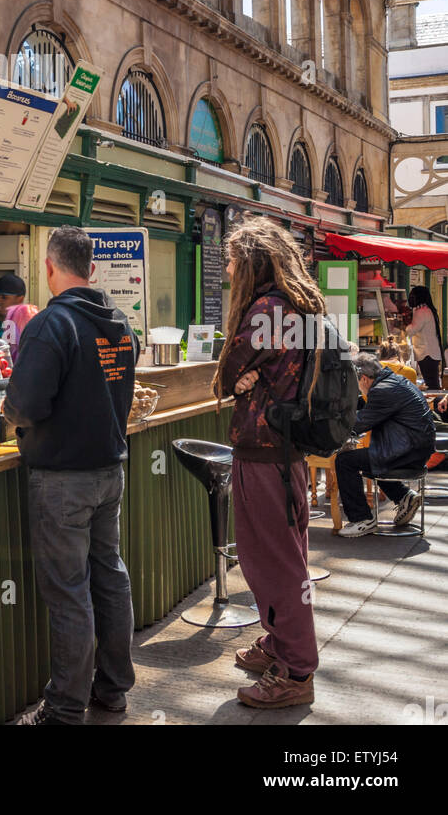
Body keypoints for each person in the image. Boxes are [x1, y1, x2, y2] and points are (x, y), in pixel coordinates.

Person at [3, 226, 138, 726]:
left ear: (48, 268)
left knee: (69, 591)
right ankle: (113, 690)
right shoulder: (119, 322)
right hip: (110, 471)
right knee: (110, 578)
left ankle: (64, 709)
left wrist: (9, 415)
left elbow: (25, 405)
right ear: (93, 269)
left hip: (62, 479)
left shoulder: (51, 324)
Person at [213, 215, 324, 711]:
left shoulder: (264, 311)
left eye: (232, 261)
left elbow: (225, 376)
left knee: (272, 563)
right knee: (288, 556)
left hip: (263, 452)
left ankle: (296, 670)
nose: (227, 270)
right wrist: (245, 379)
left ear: (252, 263)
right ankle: (279, 645)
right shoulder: (300, 304)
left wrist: (242, 380)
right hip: (288, 452)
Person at [334, 351, 435, 537]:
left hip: (409, 451)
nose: (357, 389)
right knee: (370, 458)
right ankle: (403, 496)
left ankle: (362, 519)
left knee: (345, 461)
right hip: (416, 447)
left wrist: (330, 430)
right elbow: (366, 411)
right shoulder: (393, 381)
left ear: (364, 379)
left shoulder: (382, 391)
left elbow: (359, 423)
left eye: (355, 384)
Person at [403, 286, 445, 390]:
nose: (410, 298)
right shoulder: (427, 310)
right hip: (430, 353)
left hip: (427, 354)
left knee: (432, 385)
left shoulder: (421, 311)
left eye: (412, 296)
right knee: (432, 383)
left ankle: (436, 400)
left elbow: (412, 330)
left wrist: (403, 325)